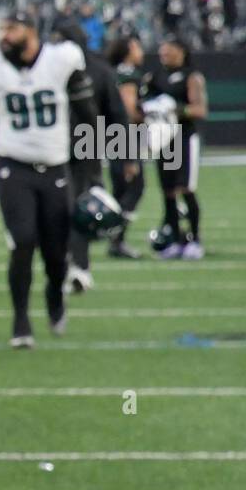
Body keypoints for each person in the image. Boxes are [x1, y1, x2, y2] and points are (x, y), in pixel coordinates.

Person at [0, 12, 97, 348]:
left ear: (31, 32)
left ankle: (54, 294)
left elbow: (88, 116)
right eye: (1, 28)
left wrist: (93, 171)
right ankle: (20, 320)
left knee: (55, 252)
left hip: (54, 168)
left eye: (11, 28)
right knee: (22, 242)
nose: (3, 35)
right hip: (12, 166)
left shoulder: (61, 60)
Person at [52, 19, 127, 292]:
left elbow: (117, 115)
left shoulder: (99, 72)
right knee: (55, 213)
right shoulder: (49, 70)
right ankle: (64, 266)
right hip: (53, 150)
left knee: (80, 211)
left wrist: (125, 156)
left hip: (86, 151)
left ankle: (80, 268)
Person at [144, 36, 208, 259]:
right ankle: (175, 240)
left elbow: (200, 110)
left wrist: (174, 109)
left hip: (183, 137)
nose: (164, 53)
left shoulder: (191, 76)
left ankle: (195, 239)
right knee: (168, 192)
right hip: (163, 139)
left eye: (168, 49)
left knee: (185, 188)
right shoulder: (156, 76)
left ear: (181, 51)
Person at [105, 36, 146, 258]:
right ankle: (115, 237)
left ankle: (114, 236)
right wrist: (149, 113)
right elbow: (128, 110)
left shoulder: (112, 71)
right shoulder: (128, 74)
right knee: (134, 188)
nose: (141, 50)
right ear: (129, 49)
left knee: (120, 190)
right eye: (137, 46)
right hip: (125, 137)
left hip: (113, 136)